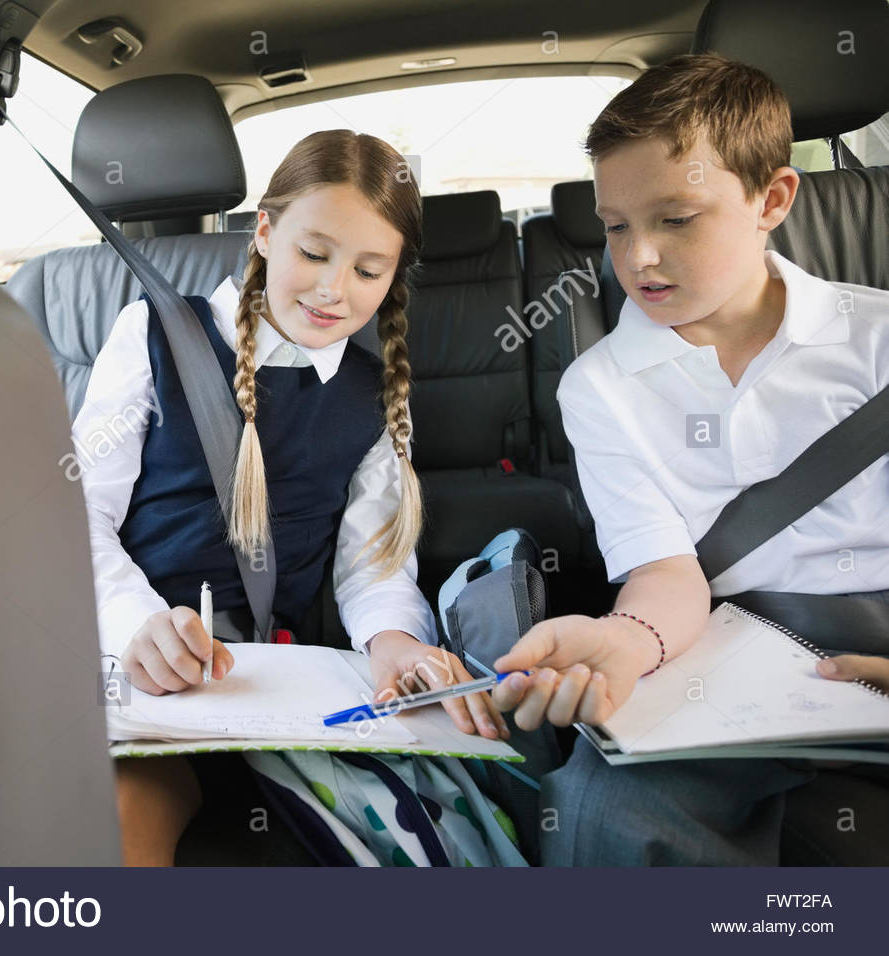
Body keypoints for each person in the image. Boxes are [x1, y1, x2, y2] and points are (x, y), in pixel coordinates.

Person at [489, 54, 889, 865]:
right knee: (607, 810)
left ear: (771, 199)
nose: (637, 258)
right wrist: (629, 639)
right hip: (726, 646)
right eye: (616, 225)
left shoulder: (877, 339)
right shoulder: (598, 388)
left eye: (677, 219)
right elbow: (667, 571)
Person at [75, 129, 512, 866]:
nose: (333, 290)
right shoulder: (153, 334)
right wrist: (137, 623)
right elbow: (74, 516)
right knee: (119, 817)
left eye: (369, 270)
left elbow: (370, 563)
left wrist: (394, 642)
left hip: (275, 686)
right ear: (267, 232)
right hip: (140, 673)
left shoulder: (372, 394)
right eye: (314, 254)